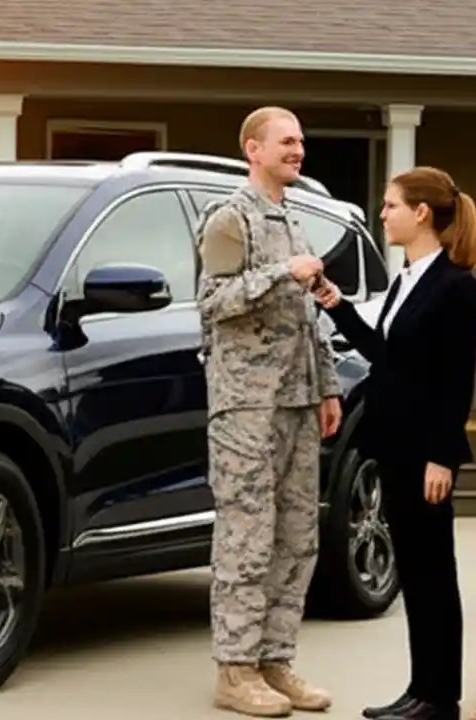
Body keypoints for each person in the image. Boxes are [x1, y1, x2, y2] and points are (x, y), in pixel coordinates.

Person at [312, 166, 476, 720]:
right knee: (415, 574)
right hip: (393, 446)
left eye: (390, 205)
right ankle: (420, 690)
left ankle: (441, 699)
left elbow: (455, 381)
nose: (382, 214)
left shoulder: (456, 286)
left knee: (435, 576)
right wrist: (334, 303)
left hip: (424, 454)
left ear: (422, 213)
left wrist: (443, 455)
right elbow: (386, 354)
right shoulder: (408, 279)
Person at [195, 105, 343, 718]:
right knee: (247, 536)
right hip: (246, 406)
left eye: (302, 141)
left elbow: (309, 318)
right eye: (286, 141)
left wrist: (328, 388)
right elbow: (212, 302)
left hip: (297, 401)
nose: (298, 150)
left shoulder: (296, 221)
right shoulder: (231, 219)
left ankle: (275, 662)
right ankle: (235, 670)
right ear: (252, 149)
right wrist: (282, 273)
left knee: (297, 537)